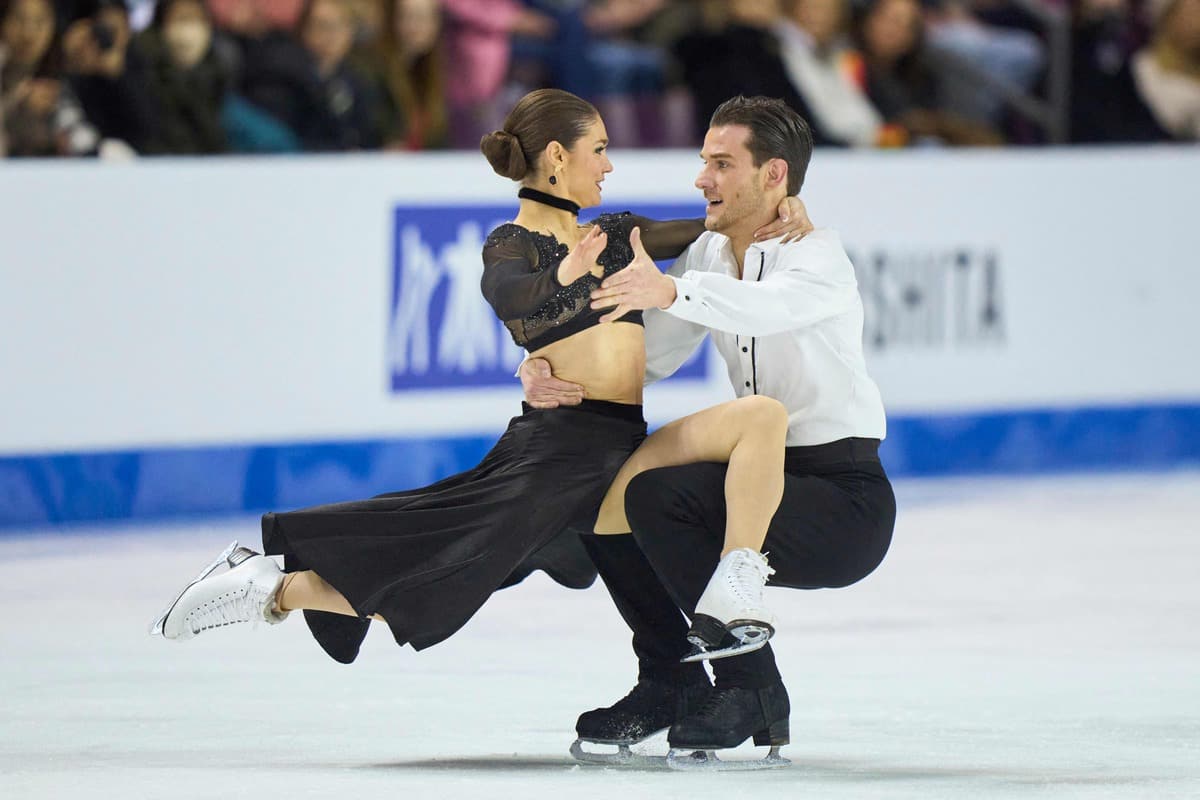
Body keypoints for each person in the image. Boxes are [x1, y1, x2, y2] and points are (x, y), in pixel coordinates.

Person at [149, 90, 812, 680]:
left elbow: (711, 225)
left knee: (491, 567)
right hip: (557, 452)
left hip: (613, 446)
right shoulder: (513, 241)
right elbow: (513, 300)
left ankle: (679, 687)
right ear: (557, 156)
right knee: (446, 570)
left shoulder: (613, 234)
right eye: (599, 150)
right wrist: (563, 276)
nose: (608, 165)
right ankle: (269, 585)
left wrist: (780, 207)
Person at [521, 95, 896, 764]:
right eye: (704, 162)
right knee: (612, 485)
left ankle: (750, 689)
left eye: (722, 164)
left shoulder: (819, 257)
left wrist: (669, 290)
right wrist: (552, 370)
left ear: (774, 175)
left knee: (666, 496)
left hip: (843, 503)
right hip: (758, 477)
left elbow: (769, 309)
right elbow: (652, 355)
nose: (702, 179)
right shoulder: (711, 256)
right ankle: (672, 680)